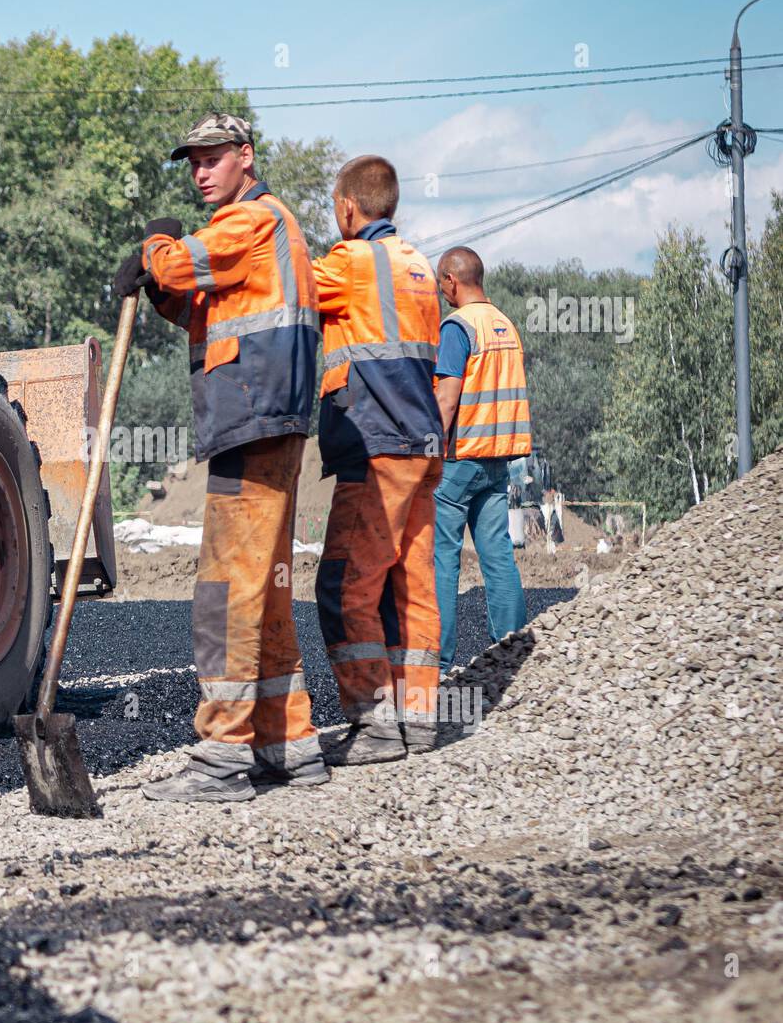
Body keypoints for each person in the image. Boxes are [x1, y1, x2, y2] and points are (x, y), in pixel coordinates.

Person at [112, 112, 323, 801]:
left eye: (212, 159)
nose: (201, 172)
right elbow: (200, 303)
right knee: (264, 590)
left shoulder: (253, 221)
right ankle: (289, 745)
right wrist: (162, 290)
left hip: (253, 419)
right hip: (263, 419)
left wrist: (152, 249)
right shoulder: (259, 232)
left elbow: (181, 260)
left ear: (245, 156)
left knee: (224, 591)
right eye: (193, 162)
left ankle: (223, 756)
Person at [311, 155, 444, 764]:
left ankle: (373, 722)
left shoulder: (350, 262)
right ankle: (418, 720)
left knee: (345, 586)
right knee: (409, 585)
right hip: (422, 443)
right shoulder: (419, 266)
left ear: (346, 207)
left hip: (375, 443)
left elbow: (288, 292)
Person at [432, 245, 531, 670]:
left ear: (452, 280)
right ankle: (510, 653)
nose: (441, 293)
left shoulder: (458, 327)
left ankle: (435, 661)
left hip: (459, 459)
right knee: (497, 553)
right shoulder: (504, 325)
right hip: (498, 461)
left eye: (441, 285)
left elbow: (447, 397)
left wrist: (428, 450)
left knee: (441, 555)